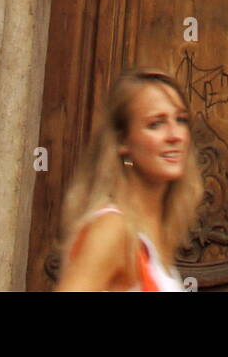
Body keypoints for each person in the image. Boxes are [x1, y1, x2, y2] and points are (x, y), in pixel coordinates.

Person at [56, 69, 203, 292]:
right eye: (156, 124)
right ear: (122, 141)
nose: (175, 135)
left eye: (181, 120)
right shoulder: (112, 228)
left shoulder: (155, 232)